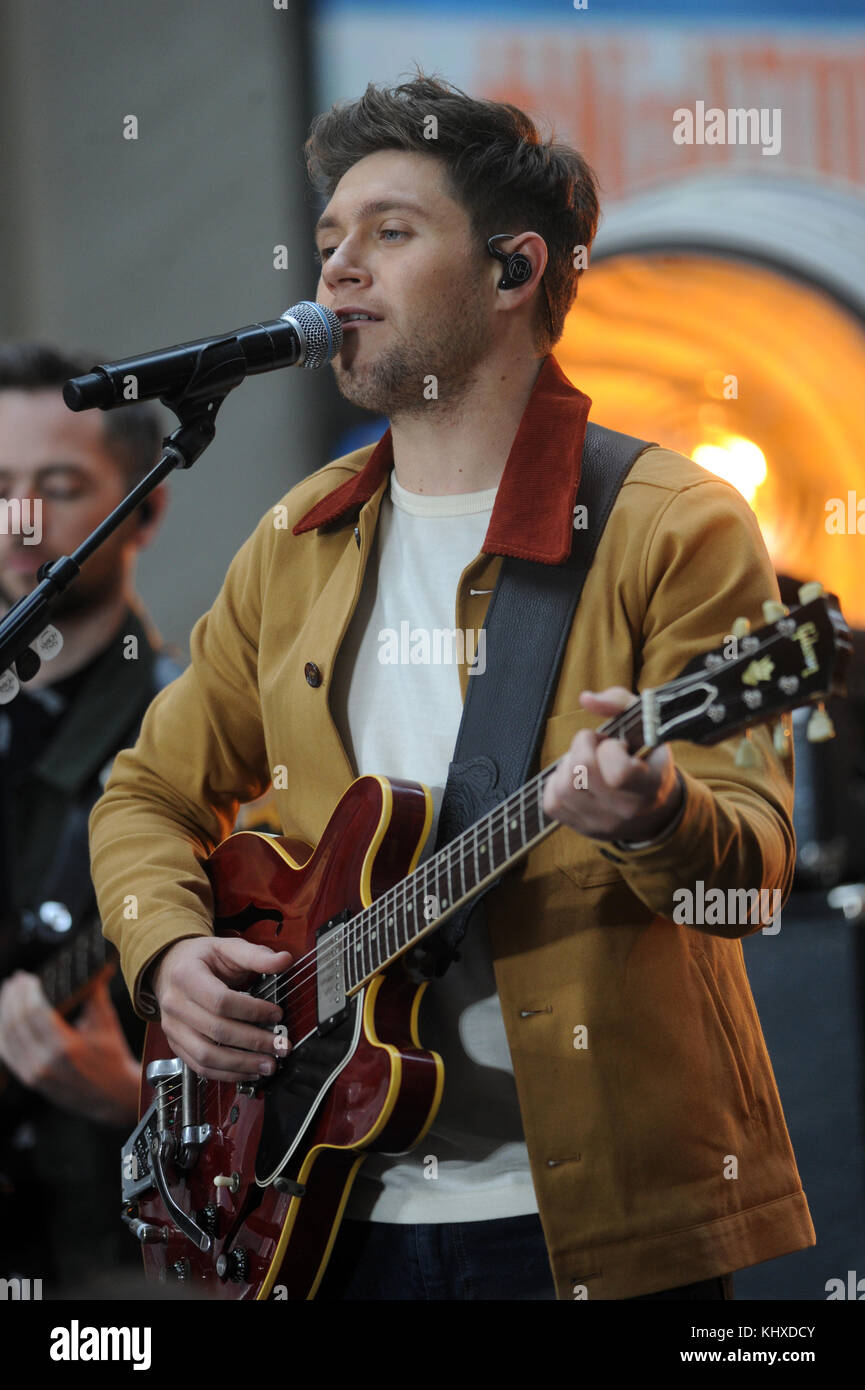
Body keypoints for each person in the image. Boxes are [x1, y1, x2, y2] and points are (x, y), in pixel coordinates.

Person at [88, 74, 814, 1301]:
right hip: (325, 1208)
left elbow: (749, 876)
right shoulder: (298, 537)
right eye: (330, 238)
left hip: (590, 1223)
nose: (336, 269)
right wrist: (166, 953)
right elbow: (146, 792)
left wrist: (653, 814)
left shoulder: (669, 523)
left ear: (513, 269)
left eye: (389, 232)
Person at [0, 343, 174, 1289]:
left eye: (60, 486)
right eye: (0, 489)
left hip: (112, 1266)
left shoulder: (198, 739)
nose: (22, 520)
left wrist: (133, 1096)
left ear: (146, 508)